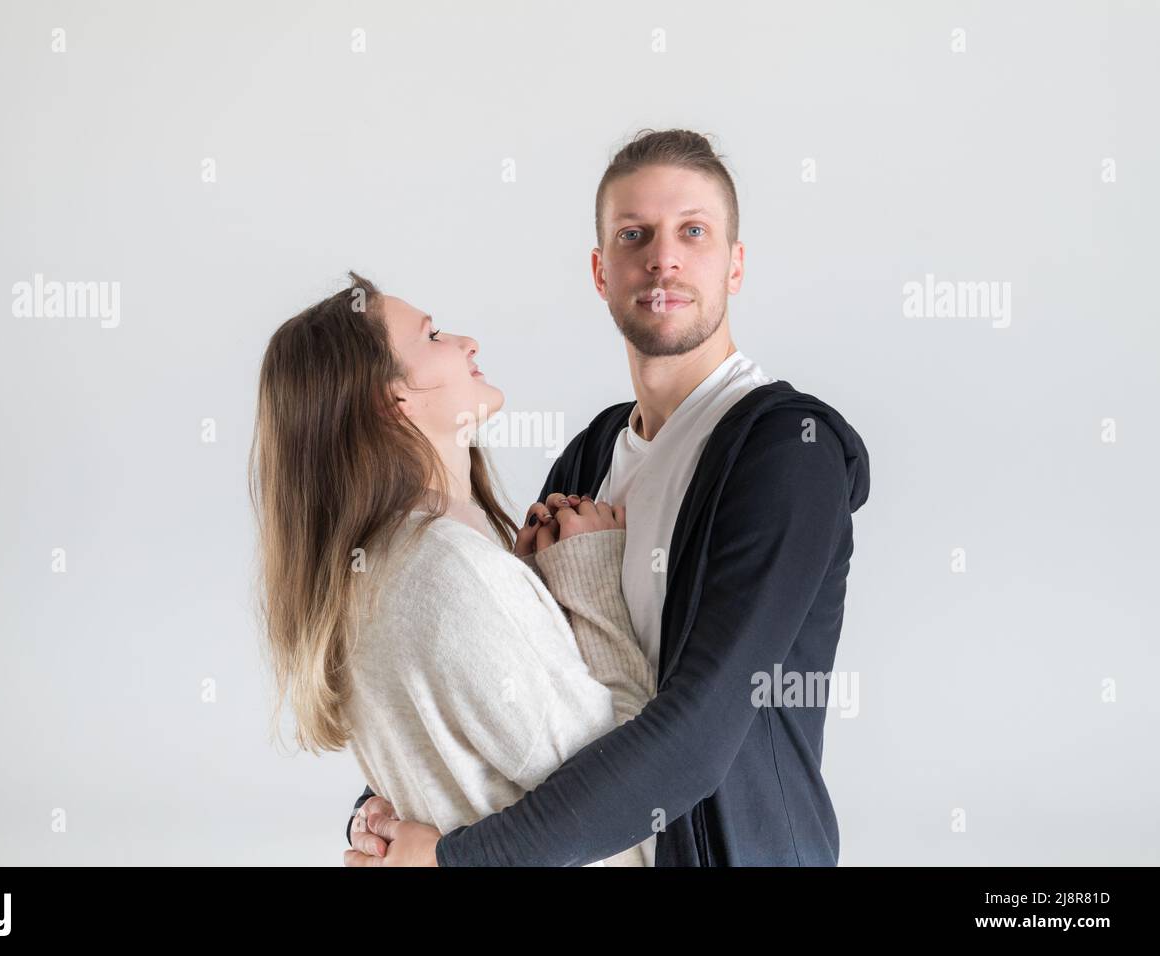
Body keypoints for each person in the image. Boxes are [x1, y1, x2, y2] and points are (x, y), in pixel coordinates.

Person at [344, 129, 871, 867]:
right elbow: (511, 683)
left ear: (736, 265)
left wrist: (454, 861)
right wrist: (384, 804)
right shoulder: (591, 457)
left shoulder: (786, 454)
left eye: (694, 231)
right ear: (600, 271)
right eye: (635, 235)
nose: (664, 258)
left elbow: (697, 737)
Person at [249, 272, 656, 867]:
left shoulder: (378, 567)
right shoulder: (452, 572)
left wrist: (536, 592)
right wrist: (591, 580)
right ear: (393, 400)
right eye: (433, 335)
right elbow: (620, 789)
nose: (468, 343)